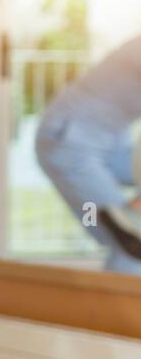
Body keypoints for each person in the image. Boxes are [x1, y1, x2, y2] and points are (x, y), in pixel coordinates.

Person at [35, 34, 141, 272]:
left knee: (128, 233)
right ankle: (118, 308)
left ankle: (132, 216)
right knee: (131, 243)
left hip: (113, 144)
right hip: (69, 142)